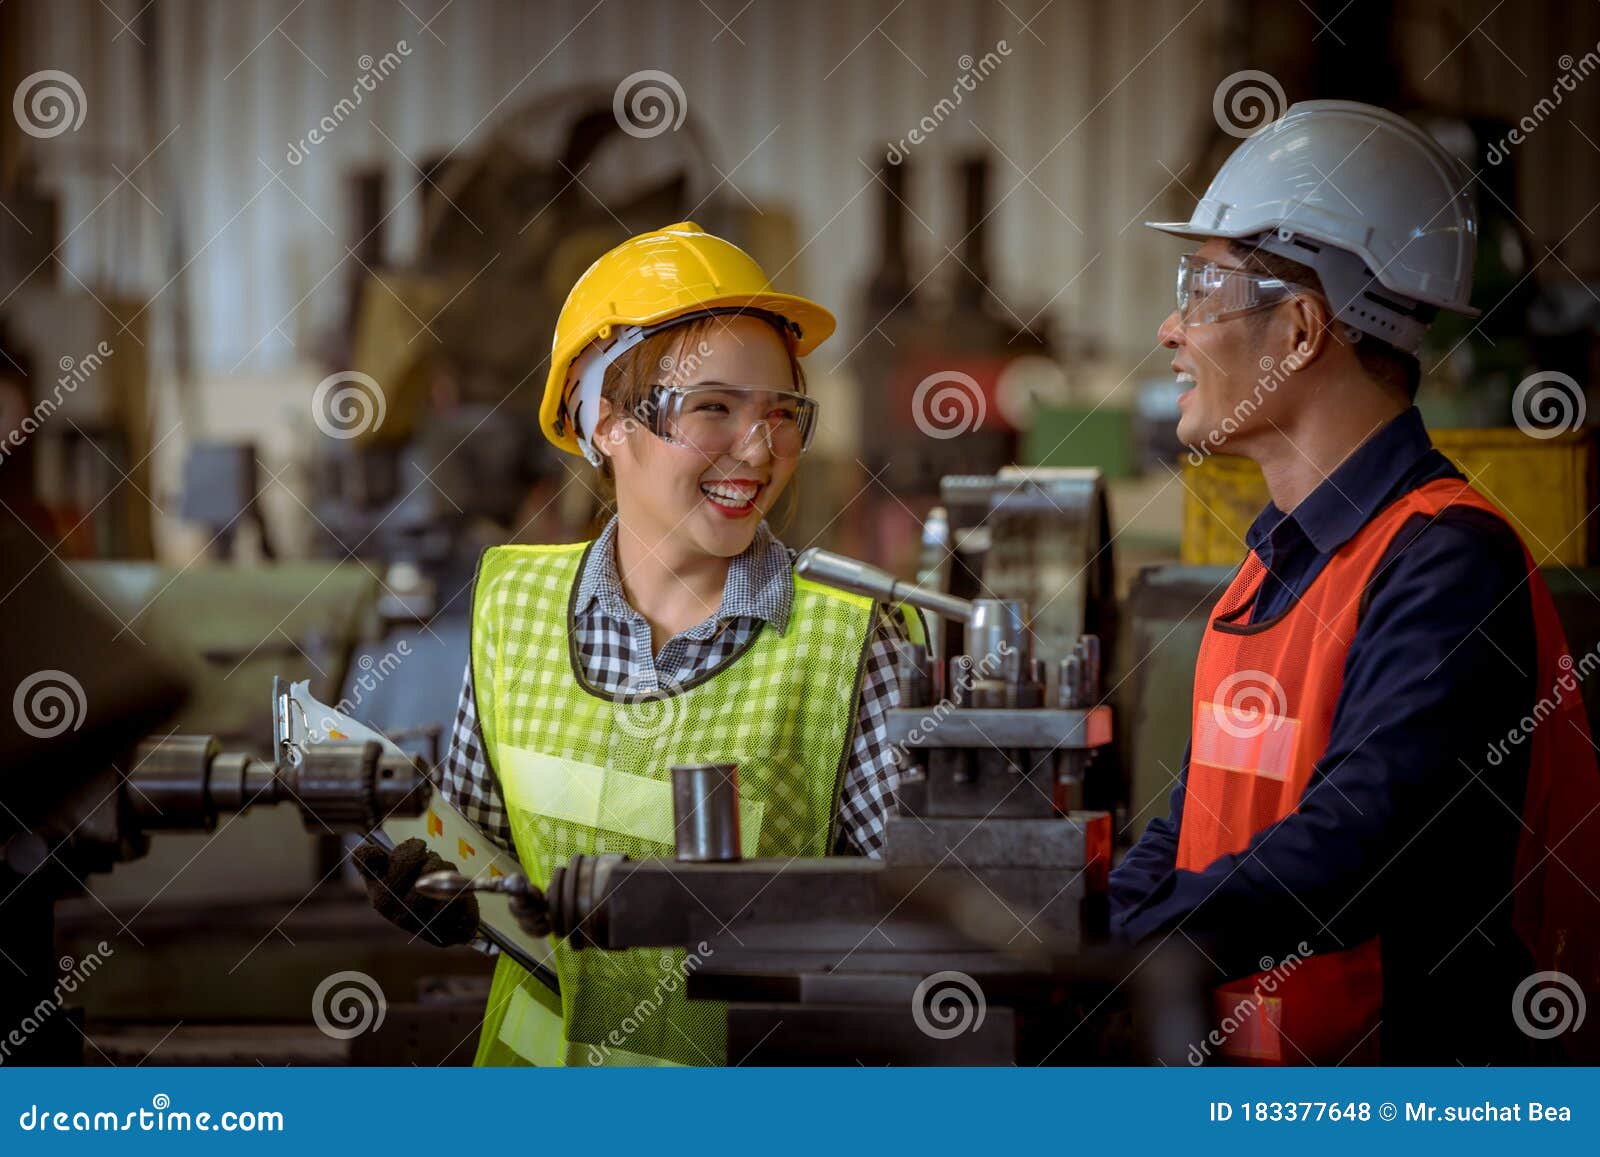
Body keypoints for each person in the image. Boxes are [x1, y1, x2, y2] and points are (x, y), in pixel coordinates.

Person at [356, 222, 918, 1066]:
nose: (761, 449)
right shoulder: (516, 604)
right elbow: (491, 862)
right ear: (610, 423)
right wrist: (441, 894)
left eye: (782, 413)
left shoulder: (851, 634)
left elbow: (901, 928)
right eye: (715, 408)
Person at [1112, 101, 1600, 1064]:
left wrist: (1129, 944)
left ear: (1300, 329)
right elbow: (1199, 806)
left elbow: (1346, 851)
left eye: (1204, 285)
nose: (1171, 326)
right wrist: (1101, 916)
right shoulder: (1275, 560)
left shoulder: (1449, 564)